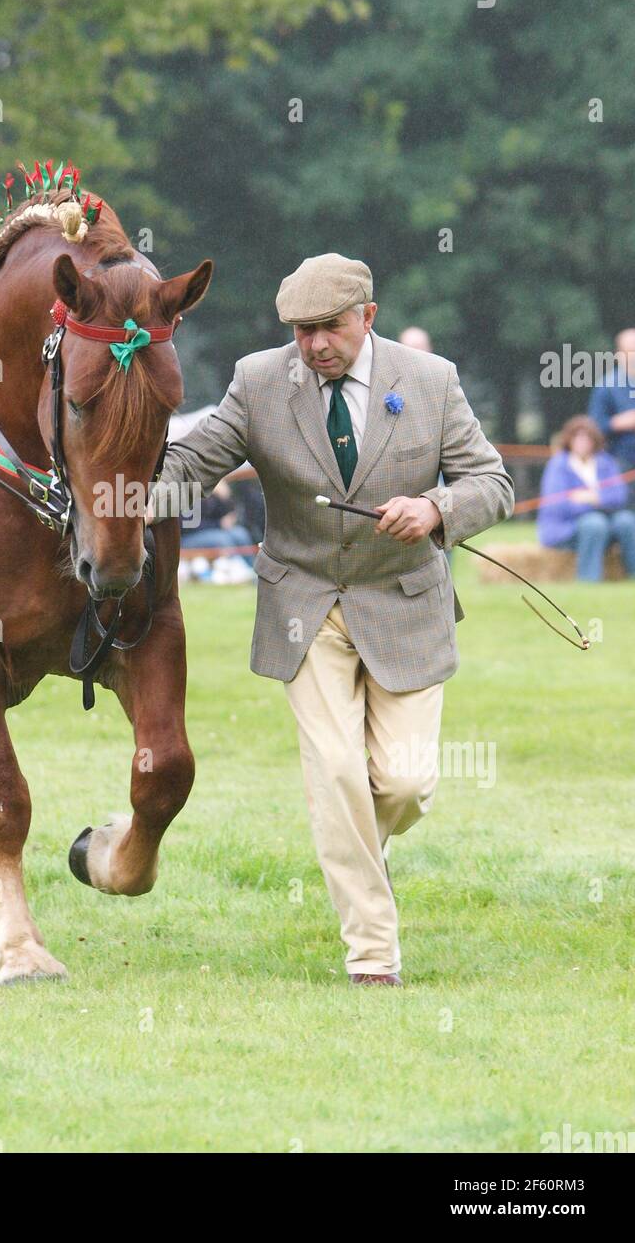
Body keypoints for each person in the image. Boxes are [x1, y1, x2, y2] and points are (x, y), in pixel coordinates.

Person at [150, 252, 514, 987]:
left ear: (366, 318)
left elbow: (492, 481)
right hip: (303, 608)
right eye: (300, 330)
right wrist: (108, 493)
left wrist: (436, 508)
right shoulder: (258, 382)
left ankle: (345, 842)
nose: (313, 344)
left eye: (328, 328)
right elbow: (188, 467)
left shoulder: (430, 380)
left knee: (404, 785)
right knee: (339, 771)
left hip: (406, 606)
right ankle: (373, 957)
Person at [536, 415, 635, 580]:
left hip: (605, 523)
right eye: (578, 438)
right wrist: (597, 503)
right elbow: (557, 505)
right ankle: (589, 579)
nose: (582, 442)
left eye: (587, 438)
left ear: (594, 441)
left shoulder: (606, 462)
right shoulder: (558, 465)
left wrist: (593, 499)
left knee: (626, 520)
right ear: (570, 440)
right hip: (565, 529)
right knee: (594, 523)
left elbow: (620, 495)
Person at [588, 328, 635, 473]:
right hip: (621, 463)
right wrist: (619, 422)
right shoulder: (606, 386)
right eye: (629, 351)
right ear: (618, 354)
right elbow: (593, 428)